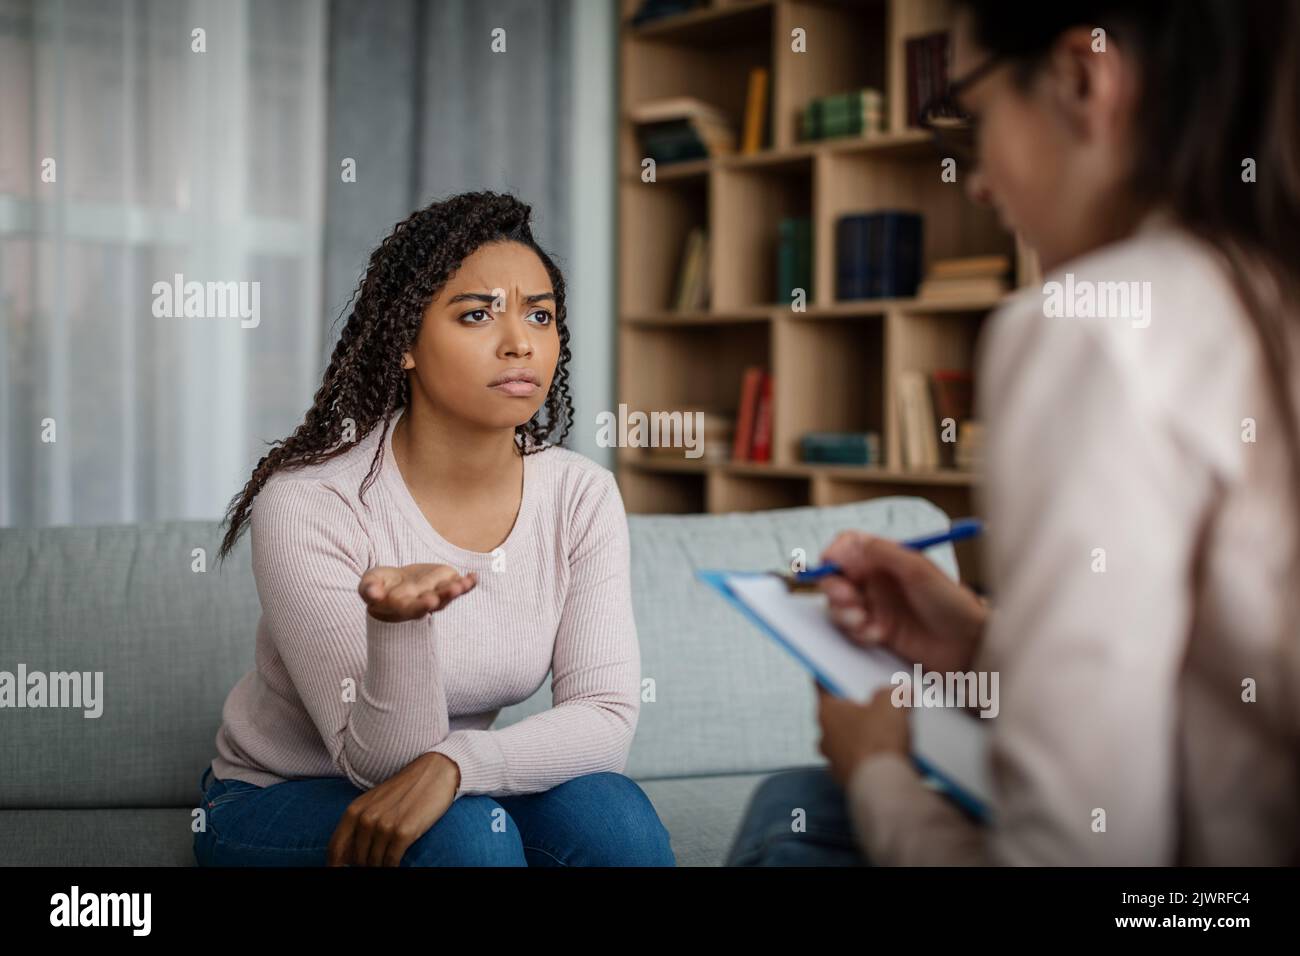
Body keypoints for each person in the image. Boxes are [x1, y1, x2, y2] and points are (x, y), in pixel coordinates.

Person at [728, 0, 1300, 866]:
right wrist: (975, 644)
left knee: (799, 817)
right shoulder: (1263, 295)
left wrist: (877, 769)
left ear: (1081, 77)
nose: (981, 180)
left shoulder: (1095, 325)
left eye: (976, 114)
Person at [195, 190, 674, 867]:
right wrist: (398, 627)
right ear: (407, 343)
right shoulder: (310, 501)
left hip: (457, 789)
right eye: (477, 315)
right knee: (470, 840)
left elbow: (604, 717)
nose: (519, 342)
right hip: (282, 796)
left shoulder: (580, 494)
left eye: (540, 314)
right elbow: (377, 763)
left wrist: (458, 765)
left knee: (615, 819)